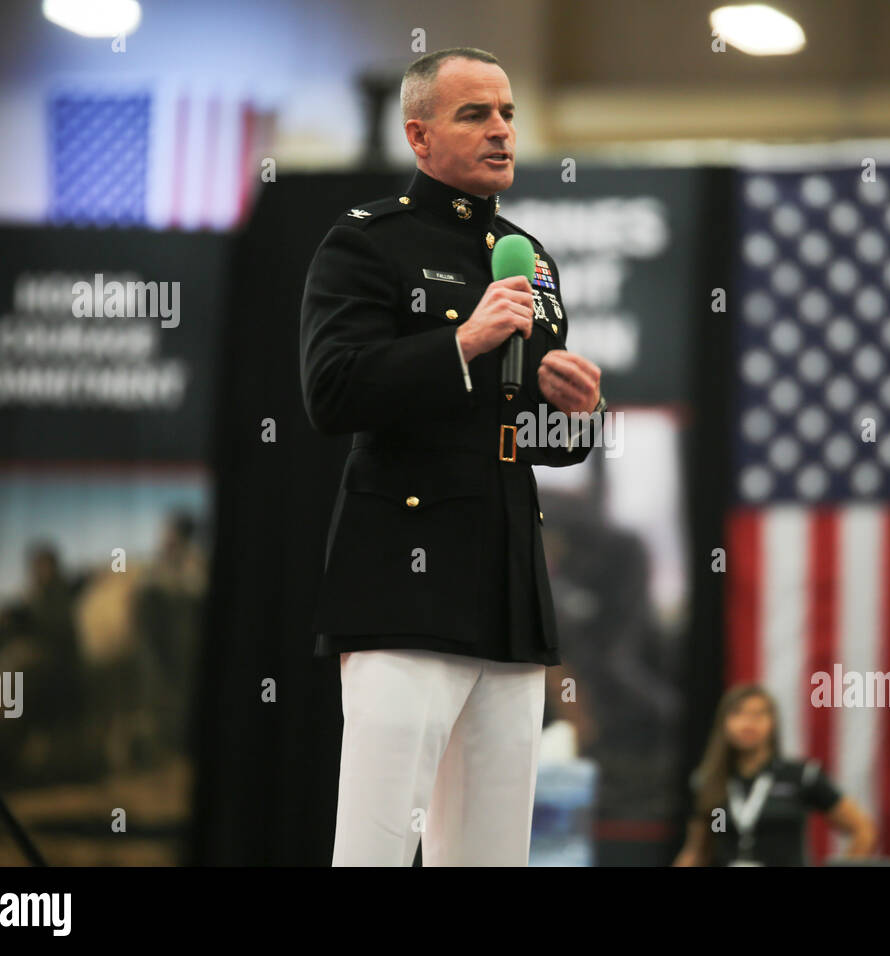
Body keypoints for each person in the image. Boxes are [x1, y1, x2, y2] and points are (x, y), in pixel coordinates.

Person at [299, 46, 606, 866]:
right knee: (375, 849)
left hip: (506, 593)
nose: (502, 130)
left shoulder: (528, 259)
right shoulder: (367, 243)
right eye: (476, 113)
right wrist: (461, 342)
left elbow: (536, 438)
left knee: (490, 857)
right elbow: (330, 393)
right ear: (420, 136)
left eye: (508, 112)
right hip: (402, 585)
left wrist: (576, 415)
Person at [673, 683, 876, 866]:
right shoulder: (709, 782)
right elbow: (697, 851)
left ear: (772, 723)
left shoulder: (801, 777)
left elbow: (862, 830)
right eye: (739, 714)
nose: (748, 723)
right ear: (724, 723)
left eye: (758, 715)